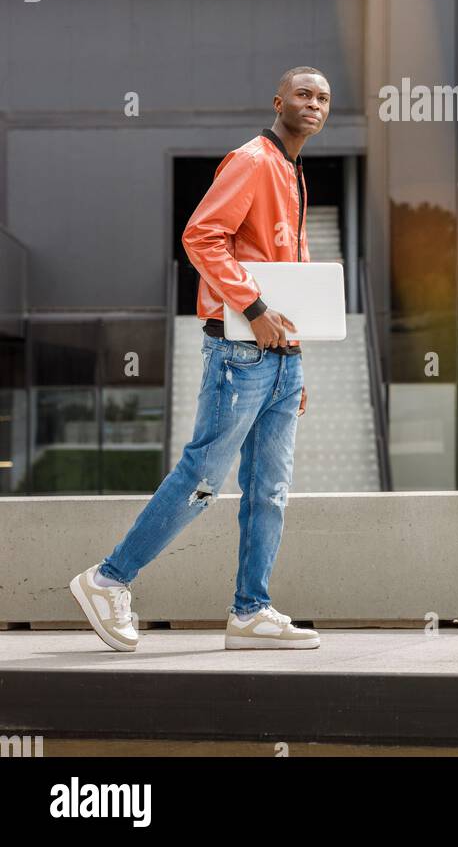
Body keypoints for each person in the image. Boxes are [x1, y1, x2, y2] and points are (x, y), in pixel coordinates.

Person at [69, 67, 331, 653]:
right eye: (303, 95)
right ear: (278, 101)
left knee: (270, 488)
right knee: (203, 478)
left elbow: (293, 269)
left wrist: (297, 350)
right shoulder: (253, 160)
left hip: (280, 358)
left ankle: (251, 610)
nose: (314, 104)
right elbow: (201, 236)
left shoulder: (292, 171)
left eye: (323, 98)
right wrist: (256, 307)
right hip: (239, 350)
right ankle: (108, 579)